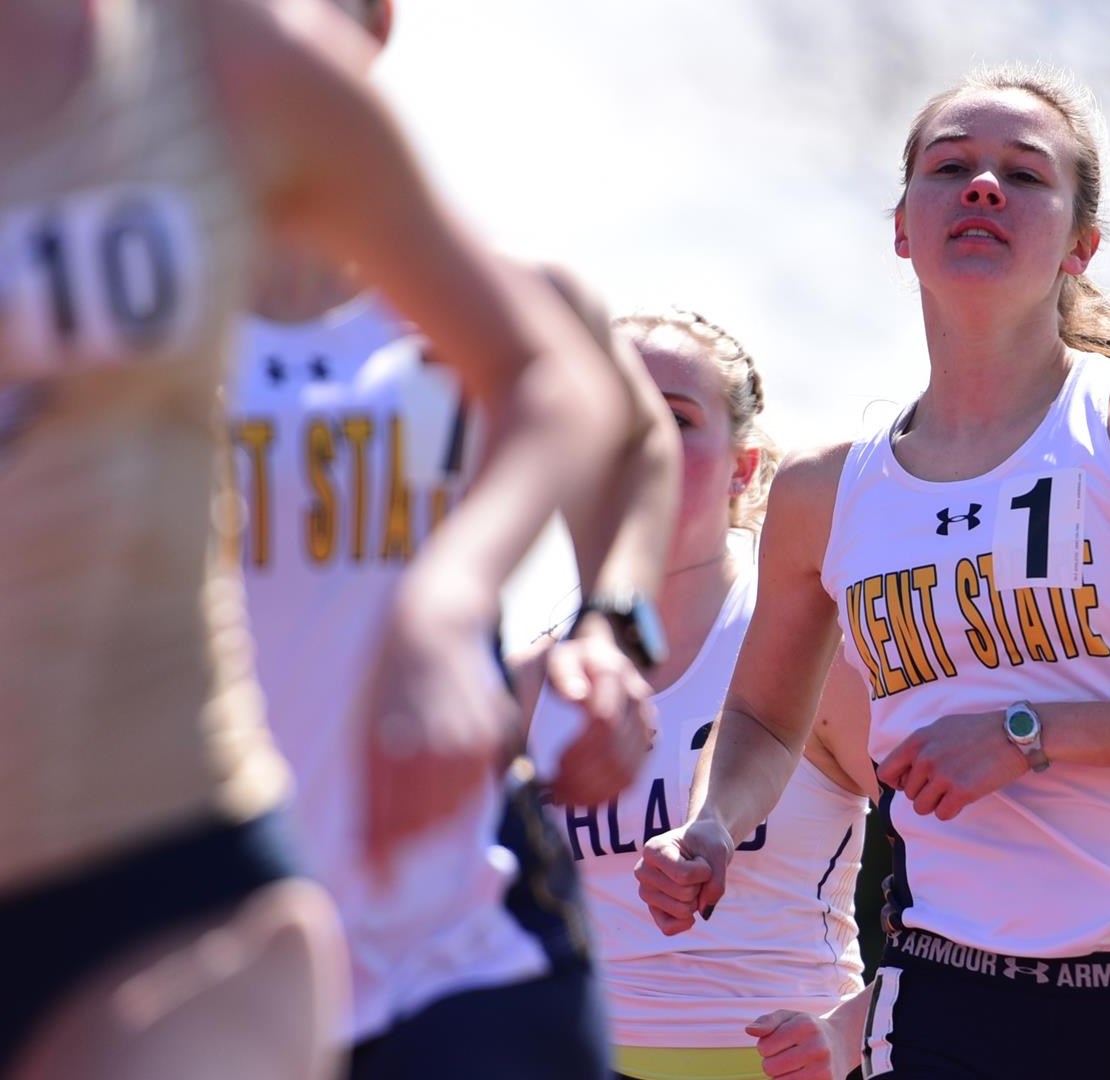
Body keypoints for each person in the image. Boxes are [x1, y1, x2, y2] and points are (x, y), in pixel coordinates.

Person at [638, 63, 1110, 1080]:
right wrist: (712, 827)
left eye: (1024, 175)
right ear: (902, 226)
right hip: (945, 998)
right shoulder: (825, 493)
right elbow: (765, 720)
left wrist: (1032, 734)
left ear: (1081, 245)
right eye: (952, 167)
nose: (984, 186)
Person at [0, 0, 670, 1076]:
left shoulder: (484, 295)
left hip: (414, 926)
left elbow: (610, 417)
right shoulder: (164, 278)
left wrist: (599, 621)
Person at [520, 309, 879, 1080]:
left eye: (675, 417)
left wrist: (860, 1026)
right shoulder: (527, 686)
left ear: (744, 469)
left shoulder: (825, 647)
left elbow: (973, 880)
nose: (639, 438)